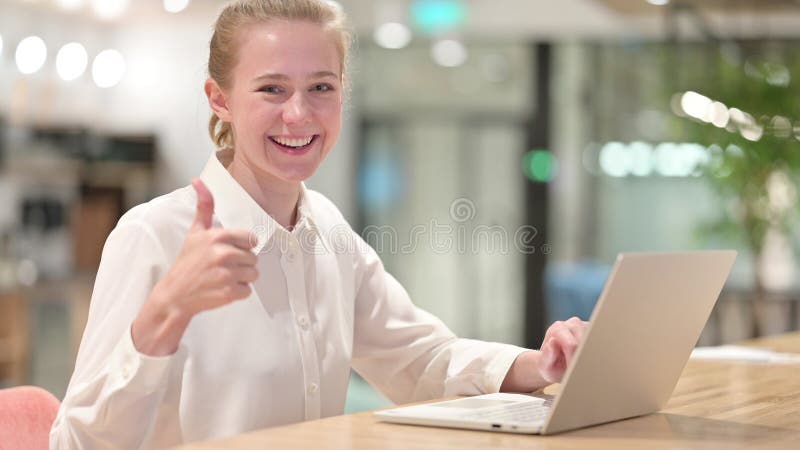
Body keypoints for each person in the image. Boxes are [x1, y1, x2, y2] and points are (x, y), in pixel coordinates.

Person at [50, 0, 587, 448]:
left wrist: (540, 364)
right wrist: (165, 314)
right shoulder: (152, 235)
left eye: (321, 88)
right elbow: (73, 442)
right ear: (221, 100)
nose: (299, 114)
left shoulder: (327, 231)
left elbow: (421, 358)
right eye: (272, 89)